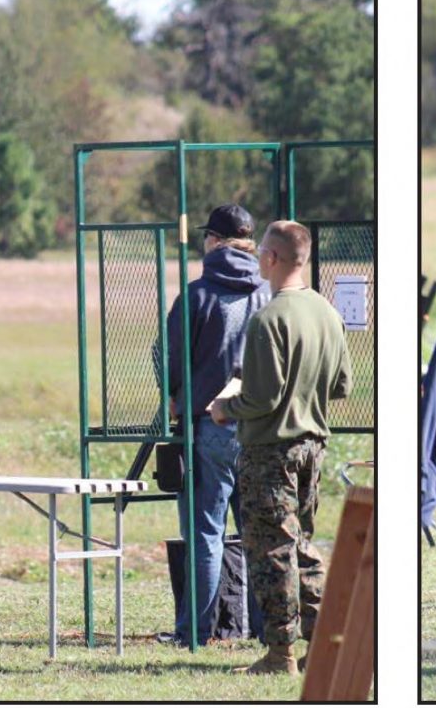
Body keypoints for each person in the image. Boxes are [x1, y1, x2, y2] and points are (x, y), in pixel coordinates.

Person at [207, 220, 353, 674]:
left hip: (271, 452)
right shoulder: (326, 313)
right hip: (313, 446)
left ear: (269, 258)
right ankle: (324, 645)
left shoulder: (268, 319)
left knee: (272, 552)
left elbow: (262, 398)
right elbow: (343, 385)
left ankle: (279, 653)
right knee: (303, 545)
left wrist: (224, 406)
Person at [155, 204, 270, 647]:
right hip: (259, 429)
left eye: (207, 237)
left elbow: (170, 360)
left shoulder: (196, 295)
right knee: (258, 532)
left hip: (208, 427)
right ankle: (269, 631)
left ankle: (194, 633)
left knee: (206, 532)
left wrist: (176, 398)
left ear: (216, 241)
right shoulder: (270, 293)